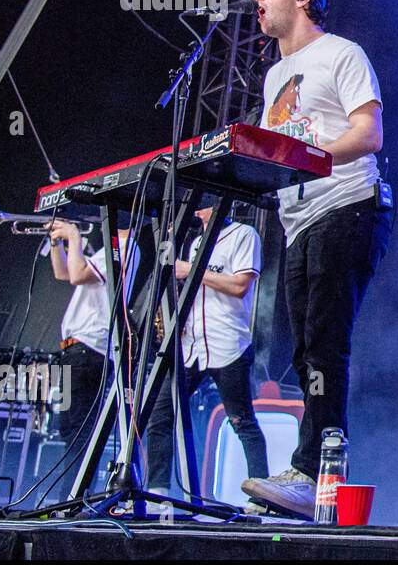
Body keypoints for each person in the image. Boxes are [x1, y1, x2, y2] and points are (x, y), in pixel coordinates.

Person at [237, 0, 391, 518]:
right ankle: (318, 472)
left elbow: (368, 133)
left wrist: (306, 158)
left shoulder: (341, 53)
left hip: (347, 206)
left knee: (325, 342)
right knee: (304, 351)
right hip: (299, 221)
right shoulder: (275, 75)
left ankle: (313, 472)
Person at [144, 201, 268, 500]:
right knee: (160, 415)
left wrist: (193, 270)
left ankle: (263, 497)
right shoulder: (198, 241)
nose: (197, 211)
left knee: (242, 421)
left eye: (203, 206)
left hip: (228, 344)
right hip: (192, 347)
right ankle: (157, 491)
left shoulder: (244, 234)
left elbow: (240, 285)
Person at [45, 219, 139, 453]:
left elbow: (77, 275)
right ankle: (72, 489)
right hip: (77, 349)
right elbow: (63, 273)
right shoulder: (110, 248)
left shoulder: (123, 247)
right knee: (68, 428)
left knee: (78, 430)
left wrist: (74, 236)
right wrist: (55, 242)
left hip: (88, 350)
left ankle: (75, 490)